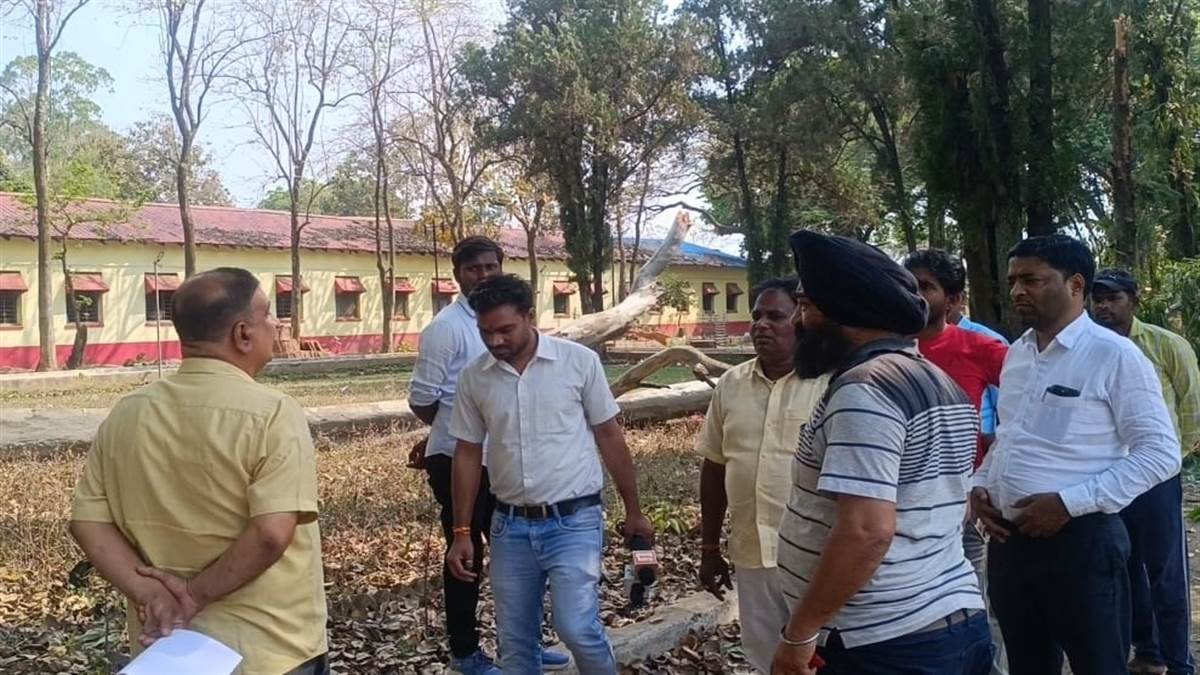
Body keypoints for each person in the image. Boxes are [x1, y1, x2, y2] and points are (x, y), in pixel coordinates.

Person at [69, 267, 329, 675]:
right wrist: (193, 594)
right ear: (243, 334)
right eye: (268, 316)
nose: (276, 324)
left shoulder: (128, 413)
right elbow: (270, 532)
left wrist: (150, 593)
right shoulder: (273, 414)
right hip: (269, 649)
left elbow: (88, 523)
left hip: (165, 648)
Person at [773, 231, 991, 675]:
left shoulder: (865, 391)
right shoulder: (939, 381)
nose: (796, 321)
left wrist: (799, 635)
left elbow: (867, 531)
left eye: (807, 306)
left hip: (884, 642)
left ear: (845, 314)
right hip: (950, 623)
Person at [970, 235, 1180, 675]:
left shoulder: (1114, 355)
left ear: (1076, 285)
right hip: (1010, 544)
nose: (1016, 291)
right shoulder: (1018, 355)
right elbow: (1009, 439)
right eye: (1012, 281)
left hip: (1082, 545)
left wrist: (1069, 503)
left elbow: (1161, 452)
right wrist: (980, 487)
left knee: (1098, 665)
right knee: (1027, 665)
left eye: (1032, 279)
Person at [445, 274, 654, 674]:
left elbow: (609, 435)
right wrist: (461, 533)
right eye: (485, 332)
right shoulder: (475, 377)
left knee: (577, 627)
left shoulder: (578, 362)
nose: (495, 341)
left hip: (573, 522)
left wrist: (634, 509)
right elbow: (468, 452)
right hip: (509, 526)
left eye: (506, 329)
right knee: (516, 643)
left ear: (529, 316)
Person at [407, 237, 569, 674]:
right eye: (473, 268)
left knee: (519, 553)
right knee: (465, 554)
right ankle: (465, 651)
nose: (483, 275)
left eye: (490, 266)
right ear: (456, 273)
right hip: (458, 459)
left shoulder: (506, 317)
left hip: (505, 458)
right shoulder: (446, 329)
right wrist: (453, 430)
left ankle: (524, 646)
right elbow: (422, 398)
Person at [694, 277, 831, 674]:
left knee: (820, 658)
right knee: (764, 657)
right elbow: (715, 466)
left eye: (775, 316)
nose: (760, 325)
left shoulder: (829, 384)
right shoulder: (731, 385)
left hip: (813, 557)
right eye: (756, 316)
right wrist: (708, 549)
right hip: (752, 552)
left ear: (801, 320)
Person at [903, 249, 1009, 675]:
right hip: (891, 510)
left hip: (961, 509)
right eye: (908, 284)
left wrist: (987, 478)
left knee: (971, 607)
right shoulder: (880, 348)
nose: (915, 294)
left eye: (926, 286)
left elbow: (1028, 414)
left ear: (954, 299)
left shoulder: (980, 348)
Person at [1092, 268, 1197, 675]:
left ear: (1133, 301)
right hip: (1105, 478)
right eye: (1098, 298)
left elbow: (1191, 406)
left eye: (1113, 298)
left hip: (1154, 478)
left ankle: (1179, 662)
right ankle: (1147, 652)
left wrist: (1172, 459)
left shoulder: (1165, 344)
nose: (1103, 306)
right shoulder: (1090, 349)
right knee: (1122, 568)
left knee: (1166, 572)